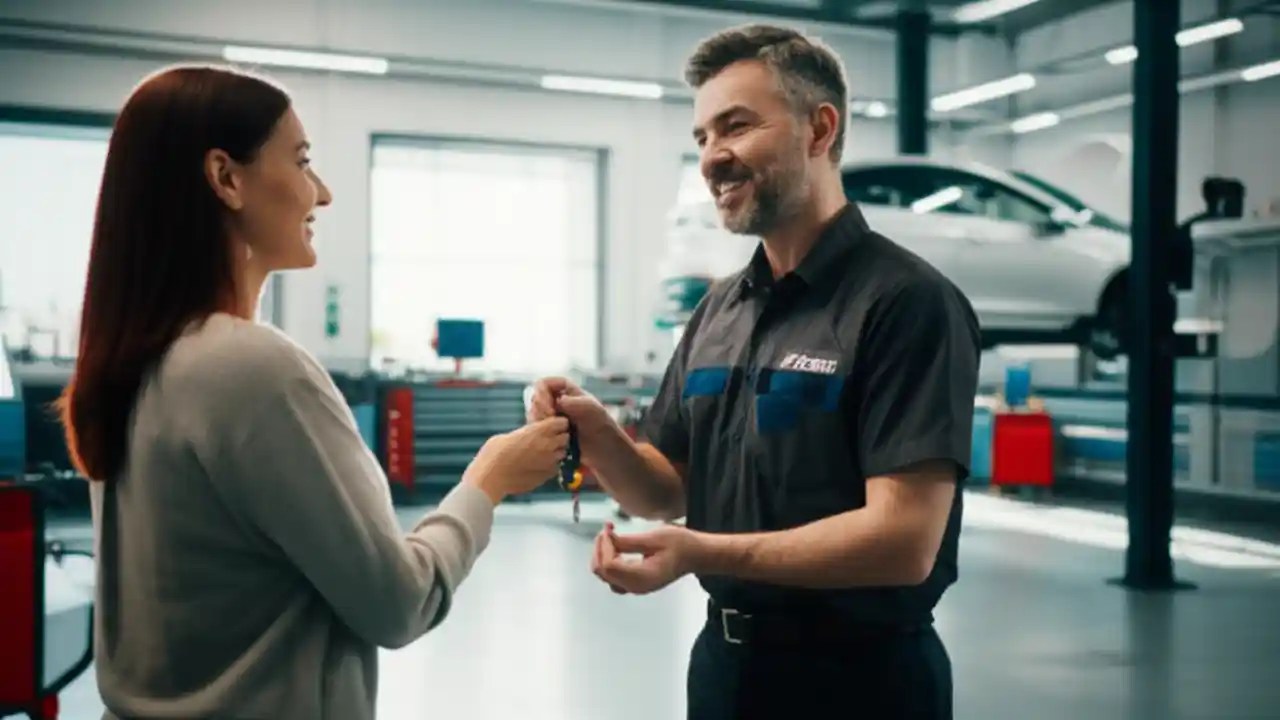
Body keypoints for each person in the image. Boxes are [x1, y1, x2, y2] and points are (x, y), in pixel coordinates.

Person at [57, 65, 570, 720]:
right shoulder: (251, 369)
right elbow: (397, 601)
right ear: (226, 178)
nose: (320, 193)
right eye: (301, 161)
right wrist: (489, 481)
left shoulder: (138, 362)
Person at [528, 24, 979, 720]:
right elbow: (664, 489)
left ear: (819, 129)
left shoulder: (905, 303)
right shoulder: (719, 309)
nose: (712, 158)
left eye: (735, 127)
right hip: (726, 671)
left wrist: (699, 551)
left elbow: (902, 542)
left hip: (859, 683)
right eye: (702, 138)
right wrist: (597, 432)